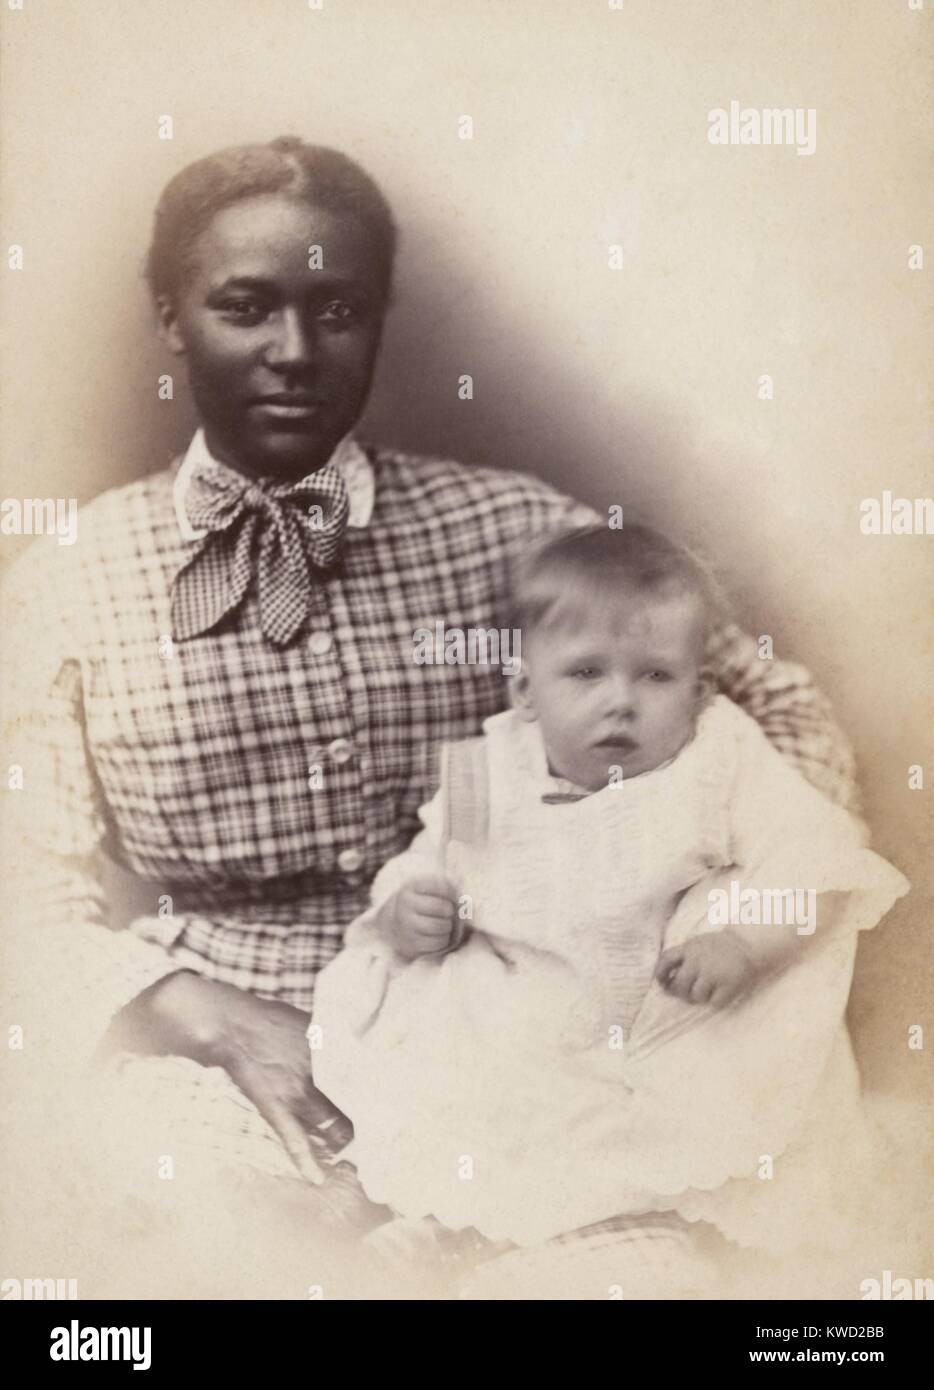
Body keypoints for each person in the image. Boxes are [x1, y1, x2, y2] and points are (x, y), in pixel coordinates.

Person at [0, 137, 861, 1294]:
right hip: (220, 1056)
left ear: (378, 319)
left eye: (337, 310)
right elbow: (21, 899)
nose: (294, 351)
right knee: (198, 1245)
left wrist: (694, 926)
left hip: (528, 1047)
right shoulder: (70, 578)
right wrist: (196, 1014)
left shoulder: (516, 532)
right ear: (171, 317)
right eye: (245, 307)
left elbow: (776, 714)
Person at [311, 524, 908, 1290]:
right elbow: (432, 861)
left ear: (700, 690)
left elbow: (814, 858)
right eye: (585, 673)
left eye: (655, 676)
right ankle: (444, 1218)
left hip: (661, 1016)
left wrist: (744, 943)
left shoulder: (719, 757)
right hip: (520, 1004)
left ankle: (621, 1229)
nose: (620, 702)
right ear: (526, 691)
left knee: (654, 1133)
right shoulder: (483, 766)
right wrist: (411, 908)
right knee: (459, 1089)